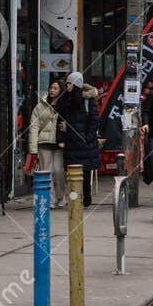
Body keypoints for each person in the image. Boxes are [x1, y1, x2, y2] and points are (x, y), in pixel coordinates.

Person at [58, 71, 100, 207]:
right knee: (71, 173)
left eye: (70, 83)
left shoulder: (87, 100)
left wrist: (88, 137)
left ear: (75, 84)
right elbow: (60, 114)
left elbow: (94, 119)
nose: (67, 86)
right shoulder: (66, 98)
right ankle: (74, 197)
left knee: (86, 172)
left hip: (84, 141)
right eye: (67, 83)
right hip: (71, 141)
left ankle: (86, 195)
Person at [27, 78, 66, 207]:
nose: (52, 90)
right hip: (44, 142)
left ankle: (61, 197)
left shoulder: (65, 105)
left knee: (58, 171)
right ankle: (50, 200)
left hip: (59, 143)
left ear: (61, 90)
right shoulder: (40, 106)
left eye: (55, 88)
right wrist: (33, 149)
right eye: (51, 88)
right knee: (46, 172)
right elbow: (33, 127)